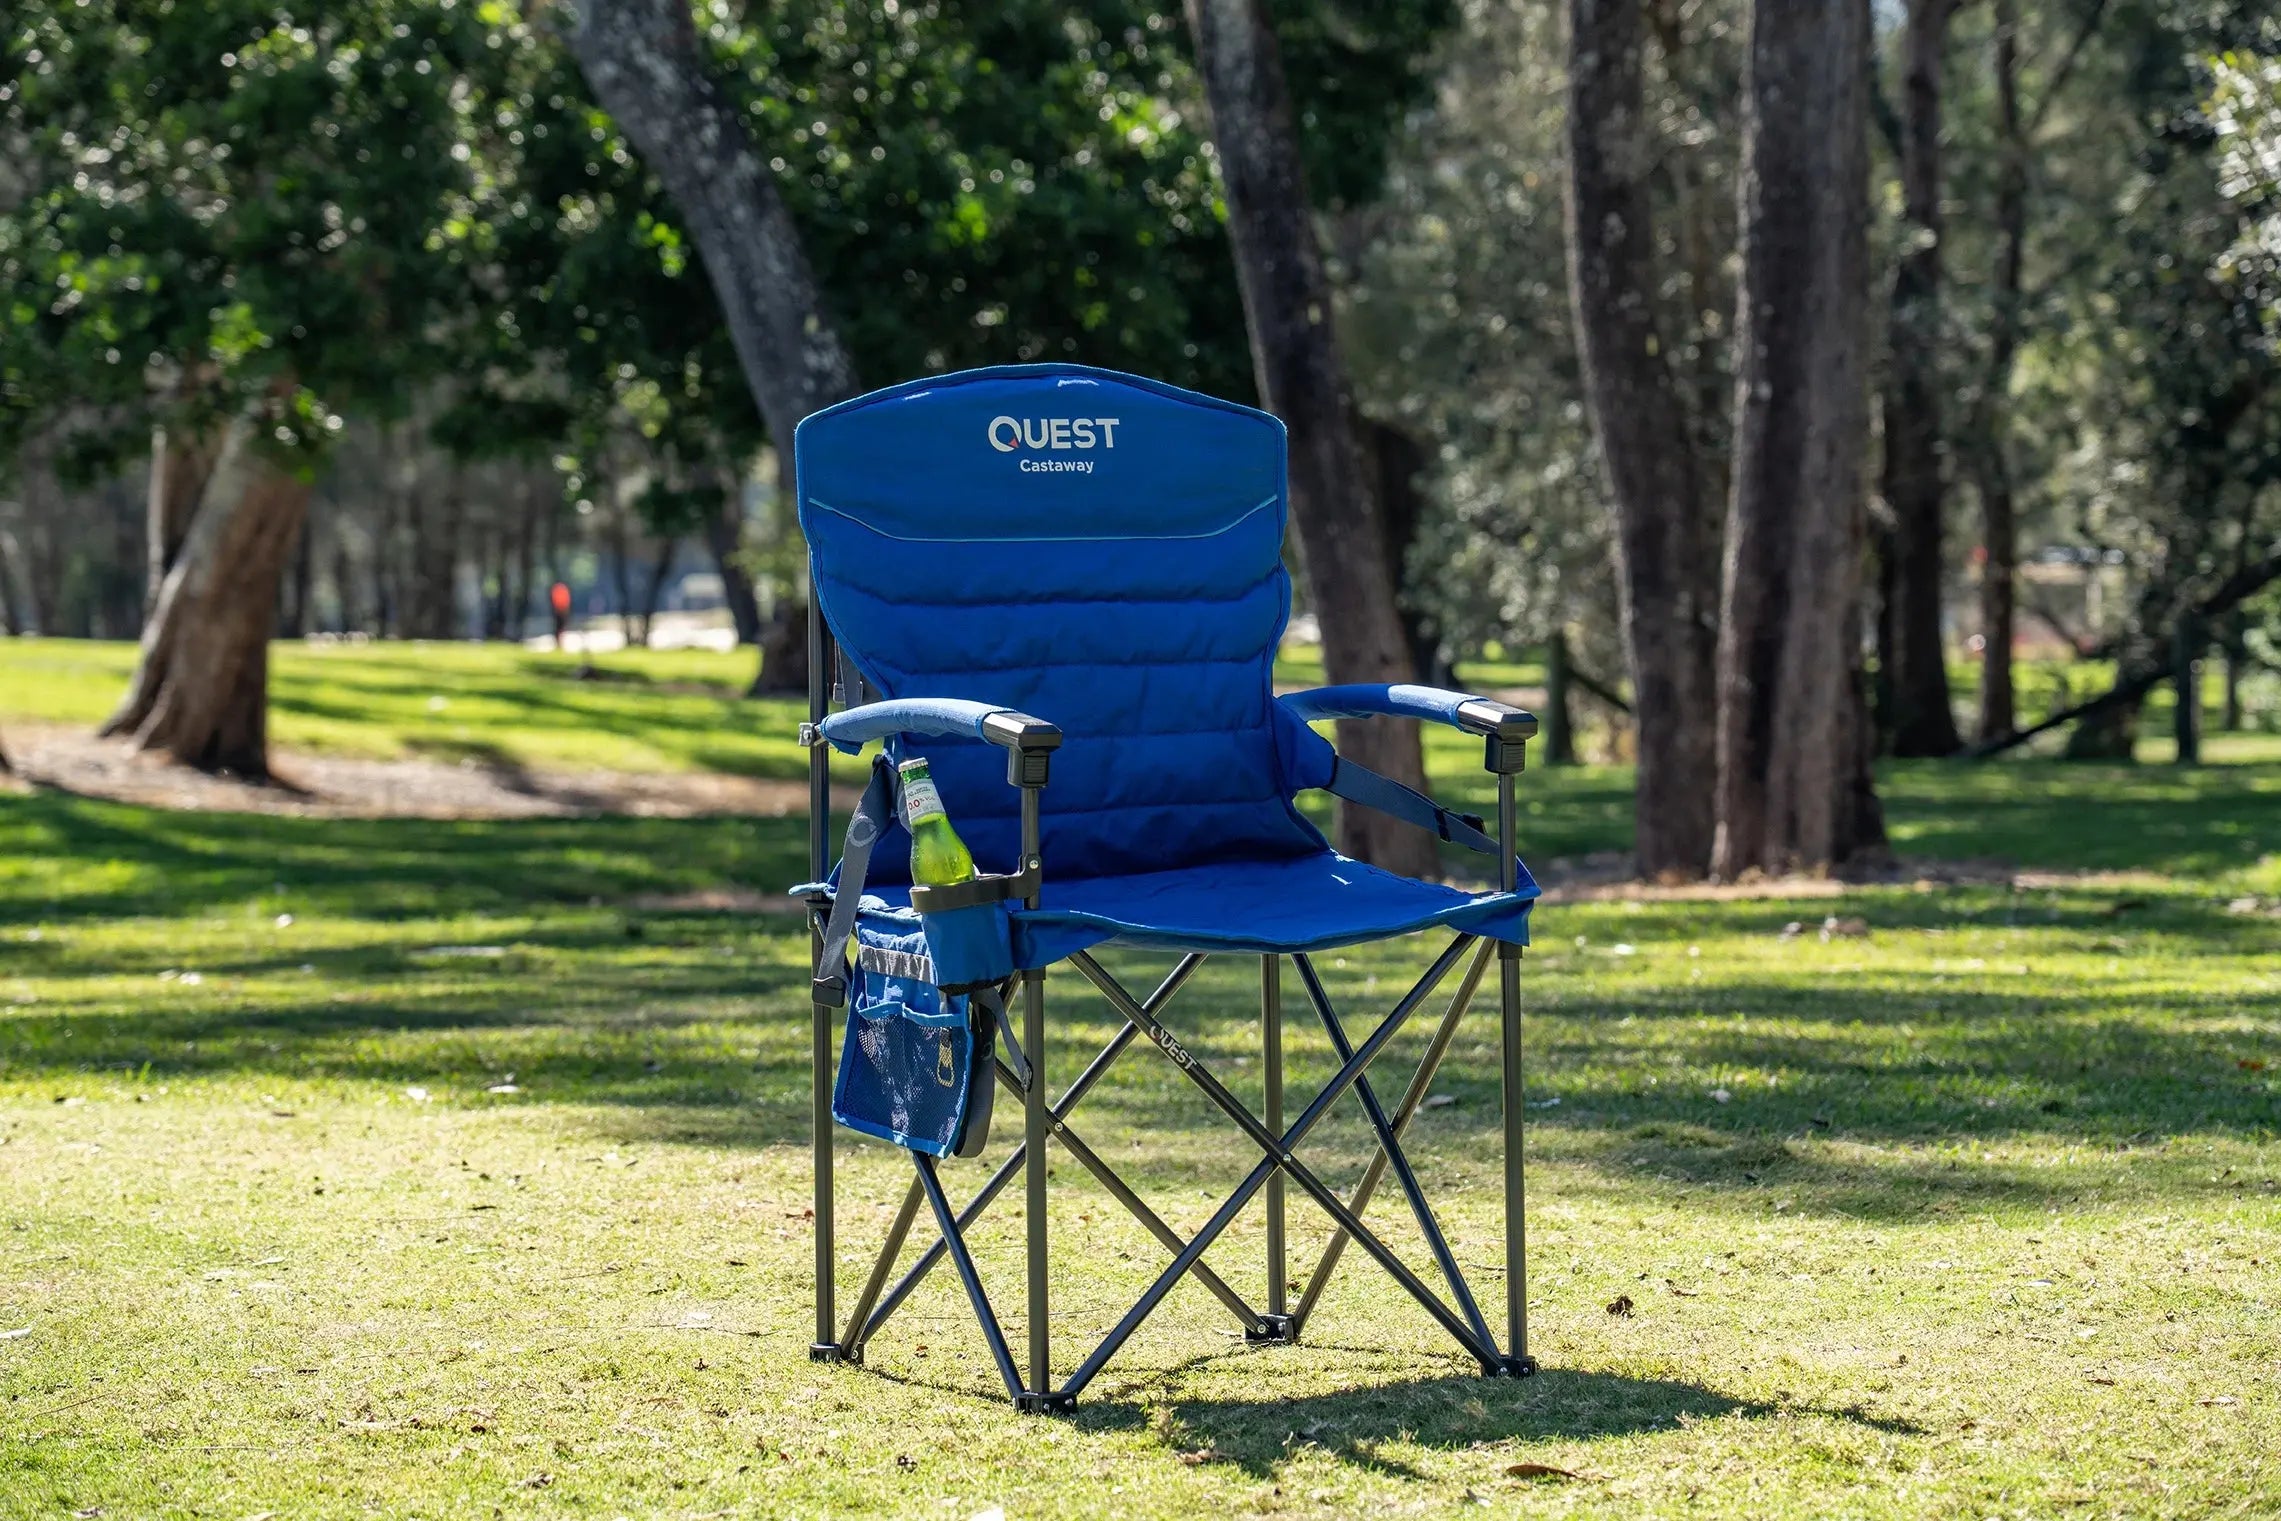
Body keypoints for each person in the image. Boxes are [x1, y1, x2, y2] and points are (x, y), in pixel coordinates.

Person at [549, 580, 572, 650]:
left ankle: (559, 642)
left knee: (560, 628)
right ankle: (558, 642)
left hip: (560, 611)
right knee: (559, 628)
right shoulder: (561, 589)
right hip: (560, 611)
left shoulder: (558, 589)